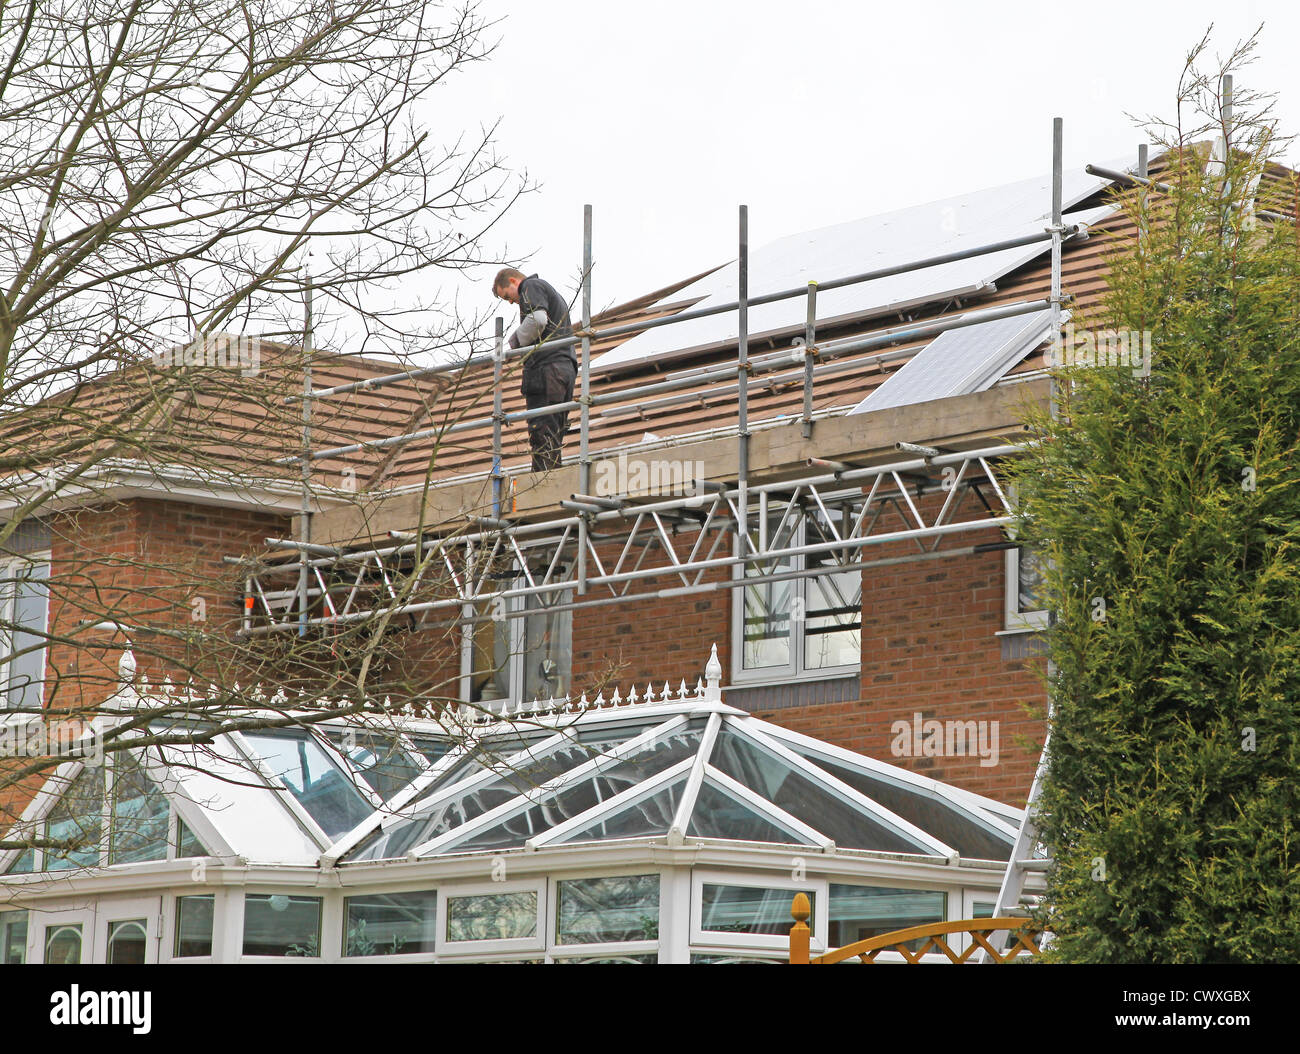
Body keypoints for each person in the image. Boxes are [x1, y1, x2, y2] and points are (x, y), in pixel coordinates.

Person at [492, 267, 579, 472]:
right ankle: (551, 477)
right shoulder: (550, 293)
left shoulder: (530, 286)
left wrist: (514, 344)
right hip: (564, 368)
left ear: (513, 281)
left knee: (542, 430)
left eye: (507, 296)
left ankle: (542, 482)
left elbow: (537, 320)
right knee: (553, 432)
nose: (512, 302)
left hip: (547, 370)